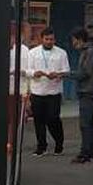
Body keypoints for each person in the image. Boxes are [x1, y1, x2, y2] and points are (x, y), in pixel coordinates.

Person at [26, 26, 70, 156]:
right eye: (47, 39)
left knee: (53, 118)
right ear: (42, 39)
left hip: (54, 92)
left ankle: (59, 142)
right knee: (38, 121)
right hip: (37, 92)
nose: (50, 41)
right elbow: (27, 70)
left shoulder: (61, 53)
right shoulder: (33, 53)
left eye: (52, 39)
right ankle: (41, 146)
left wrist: (58, 74)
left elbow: (66, 71)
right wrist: (35, 73)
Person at [68, 27, 93, 163]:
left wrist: (66, 74)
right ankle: (91, 151)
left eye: (74, 41)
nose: (73, 44)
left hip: (88, 91)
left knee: (85, 123)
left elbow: (85, 72)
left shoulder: (89, 52)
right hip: (88, 90)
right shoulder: (87, 51)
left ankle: (85, 153)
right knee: (89, 122)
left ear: (80, 39)